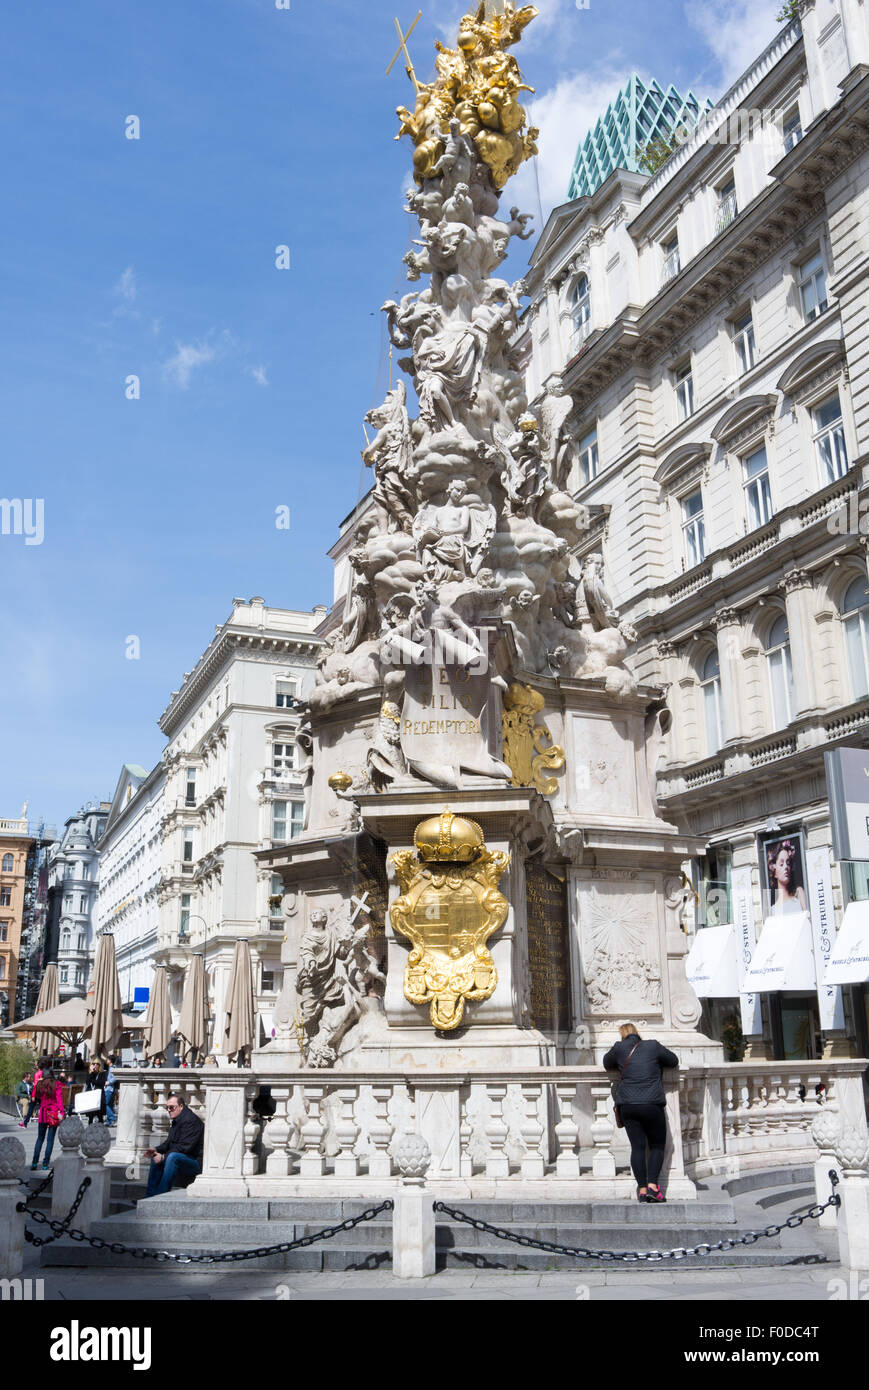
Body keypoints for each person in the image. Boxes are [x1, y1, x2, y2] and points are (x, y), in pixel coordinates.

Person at [603, 1022, 679, 1203]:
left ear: (622, 1036)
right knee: (657, 1146)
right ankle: (653, 1186)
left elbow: (607, 1063)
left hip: (628, 1105)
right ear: (638, 1034)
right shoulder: (653, 1045)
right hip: (652, 1103)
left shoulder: (619, 1048)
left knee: (637, 1147)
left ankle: (642, 1189)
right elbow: (674, 1060)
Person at [143, 1094, 204, 1198]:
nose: (169, 1110)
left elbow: (185, 1147)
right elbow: (168, 1143)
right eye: (167, 1107)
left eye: (171, 1107)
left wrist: (163, 1157)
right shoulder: (177, 1119)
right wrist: (155, 1149)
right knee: (156, 1156)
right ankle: (150, 1196)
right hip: (183, 1157)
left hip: (195, 1162)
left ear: (181, 1106)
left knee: (172, 1157)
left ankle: (160, 1196)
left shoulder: (191, 1121)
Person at [30, 1071, 65, 1171]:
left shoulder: (41, 1084)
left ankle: (34, 1163)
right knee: (50, 1140)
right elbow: (59, 1100)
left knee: (40, 1139)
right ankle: (45, 1164)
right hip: (53, 1114)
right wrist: (61, 1112)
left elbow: (35, 1096)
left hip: (43, 1114)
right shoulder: (57, 1084)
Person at [767, 838, 807, 915]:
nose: (786, 867)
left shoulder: (798, 893)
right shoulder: (773, 910)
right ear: (774, 872)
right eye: (781, 864)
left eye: (788, 863)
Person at [83, 1058, 107, 1125]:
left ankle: (101, 1129)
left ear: (99, 1065)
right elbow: (87, 1082)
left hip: (99, 1096)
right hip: (91, 1096)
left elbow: (101, 1083)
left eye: (97, 1064)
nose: (95, 1065)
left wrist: (93, 1081)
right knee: (90, 1115)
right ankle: (90, 1130)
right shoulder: (89, 1073)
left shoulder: (102, 1073)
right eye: (94, 1064)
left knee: (100, 1115)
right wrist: (92, 1073)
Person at [104, 1055, 118, 1126]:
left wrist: (108, 1082)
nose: (106, 1060)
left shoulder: (113, 1068)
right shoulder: (109, 1068)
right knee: (109, 1105)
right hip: (111, 1089)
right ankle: (108, 1122)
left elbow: (115, 1077)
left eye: (107, 1059)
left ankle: (113, 1118)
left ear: (110, 1060)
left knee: (105, 1104)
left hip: (109, 1088)